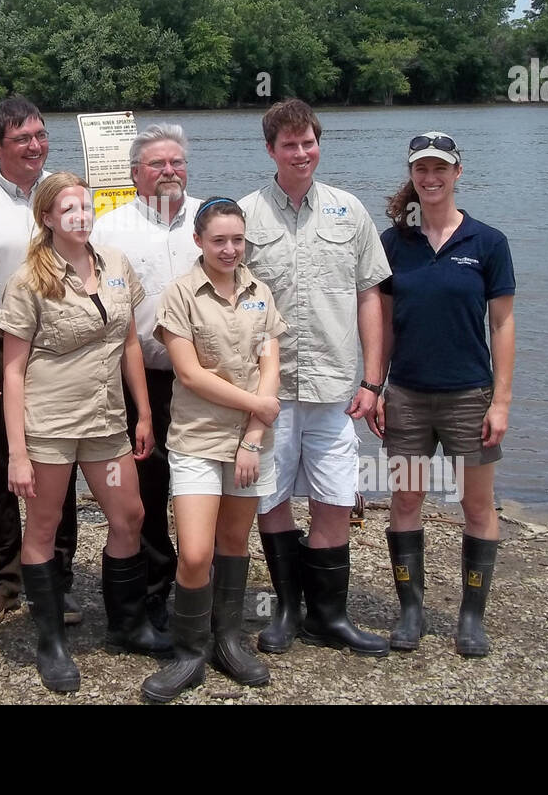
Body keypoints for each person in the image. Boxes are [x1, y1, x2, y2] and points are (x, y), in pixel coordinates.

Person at [0, 172, 171, 692]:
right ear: (47, 218)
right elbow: (11, 370)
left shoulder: (114, 264)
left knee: (130, 515)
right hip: (49, 425)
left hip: (105, 421)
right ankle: (50, 642)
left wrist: (143, 412)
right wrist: (18, 453)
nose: (79, 215)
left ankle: (127, 623)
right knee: (44, 530)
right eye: (67, 208)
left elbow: (131, 344)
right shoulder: (29, 279)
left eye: (85, 206)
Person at [239, 99, 392, 657]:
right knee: (270, 496)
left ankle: (330, 616)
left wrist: (373, 381)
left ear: (318, 144)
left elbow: (369, 294)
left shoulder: (349, 212)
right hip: (268, 391)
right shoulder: (246, 216)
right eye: (289, 145)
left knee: (334, 496)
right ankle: (286, 609)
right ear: (271, 150)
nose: (301, 153)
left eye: (308, 143)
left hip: (335, 388)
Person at [374, 132, 515, 657]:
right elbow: (383, 324)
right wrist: (378, 386)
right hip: (408, 396)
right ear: (411, 175)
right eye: (421, 170)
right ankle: (411, 611)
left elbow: (502, 325)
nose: (430, 179)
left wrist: (500, 401)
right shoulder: (394, 244)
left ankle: (471, 616)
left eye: (440, 169)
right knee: (407, 498)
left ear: (458, 173)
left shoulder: (487, 243)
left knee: (476, 505)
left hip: (468, 396)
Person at [141, 199, 285, 702]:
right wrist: (261, 408)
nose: (229, 249)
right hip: (197, 439)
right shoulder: (179, 294)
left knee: (233, 545)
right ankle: (189, 650)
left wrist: (253, 434)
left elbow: (270, 364)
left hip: (249, 442)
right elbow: (188, 374)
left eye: (237, 240)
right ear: (199, 242)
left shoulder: (260, 291)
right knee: (197, 551)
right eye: (219, 240)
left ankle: (227, 640)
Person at [0, 99, 82, 628]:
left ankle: (57, 578)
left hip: (62, 353)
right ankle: (1, 580)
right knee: (0, 469)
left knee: (60, 469)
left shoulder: (66, 191)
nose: (35, 146)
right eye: (21, 139)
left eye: (40, 134)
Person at [90, 123, 201, 628]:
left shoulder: (211, 218)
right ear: (135, 174)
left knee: (205, 482)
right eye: (156, 164)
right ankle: (155, 591)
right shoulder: (108, 230)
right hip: (142, 380)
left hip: (207, 382)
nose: (168, 172)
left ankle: (204, 588)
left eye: (175, 162)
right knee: (149, 487)